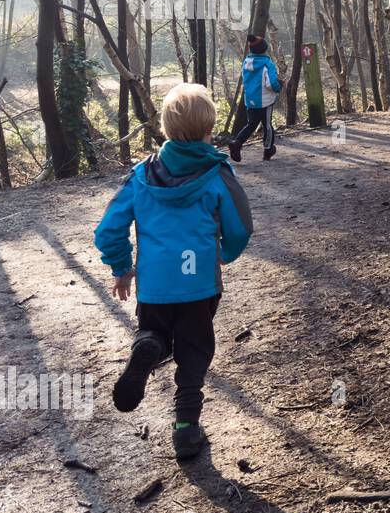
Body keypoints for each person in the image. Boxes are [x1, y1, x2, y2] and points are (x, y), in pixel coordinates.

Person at [94, 83, 253, 460]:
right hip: (199, 283)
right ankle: (185, 429)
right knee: (194, 355)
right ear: (208, 129)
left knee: (157, 332)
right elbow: (241, 227)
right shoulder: (217, 173)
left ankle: (149, 343)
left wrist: (121, 267)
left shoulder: (141, 175)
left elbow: (108, 229)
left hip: (155, 284)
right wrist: (225, 253)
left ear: (165, 128)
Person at [228, 34, 282, 161]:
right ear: (264, 49)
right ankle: (268, 150)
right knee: (267, 125)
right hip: (265, 101)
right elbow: (271, 84)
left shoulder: (246, 62)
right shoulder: (267, 63)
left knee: (251, 124)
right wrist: (279, 86)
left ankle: (237, 143)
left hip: (250, 100)